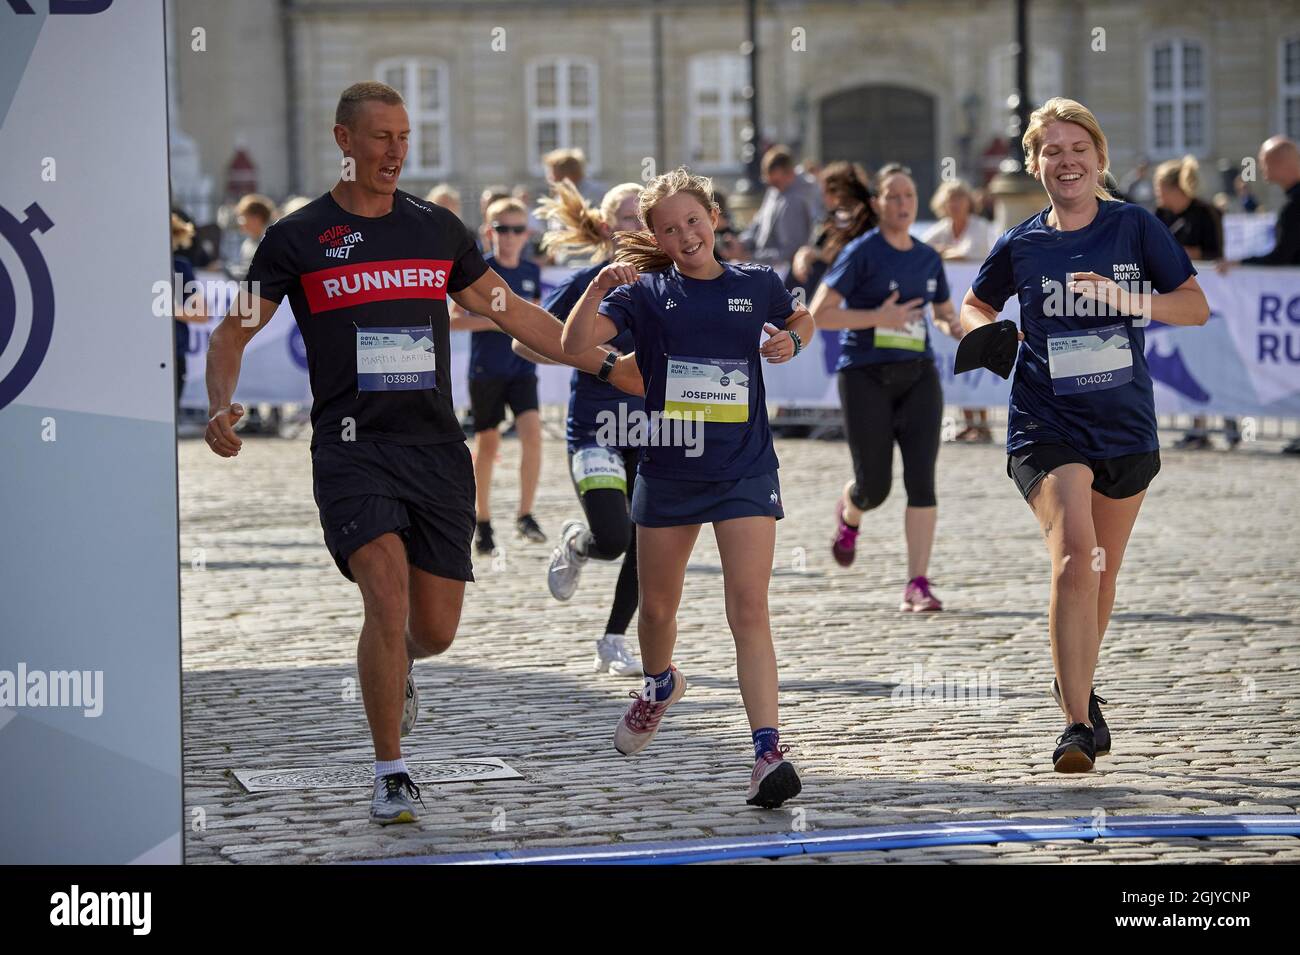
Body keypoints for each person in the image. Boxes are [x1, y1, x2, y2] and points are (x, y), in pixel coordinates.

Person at [203, 81, 642, 825]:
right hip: (352, 448)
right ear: (344, 140)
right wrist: (220, 402)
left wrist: (601, 363)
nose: (396, 152)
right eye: (381, 138)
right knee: (385, 592)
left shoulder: (435, 229)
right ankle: (391, 770)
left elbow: (515, 315)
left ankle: (397, 663)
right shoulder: (298, 237)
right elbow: (230, 334)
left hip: (437, 450)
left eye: (404, 138)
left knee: (432, 629)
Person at [959, 98, 1208, 772]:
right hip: (1046, 423)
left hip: (1125, 425)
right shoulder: (1023, 241)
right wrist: (979, 332)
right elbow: (976, 300)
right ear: (1036, 164)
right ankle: (1074, 723)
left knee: (1100, 573)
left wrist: (1129, 300)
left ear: (1098, 158)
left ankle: (1079, 681)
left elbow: (1195, 306)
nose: (1066, 161)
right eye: (1052, 151)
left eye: (1078, 149)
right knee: (1074, 555)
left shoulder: (1134, 227)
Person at [560, 166, 816, 808]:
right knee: (657, 612)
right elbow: (572, 344)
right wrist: (598, 287)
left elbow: (803, 316)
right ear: (657, 237)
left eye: (694, 220)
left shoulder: (755, 283)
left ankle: (766, 751)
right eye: (670, 229)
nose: (686, 234)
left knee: (748, 609)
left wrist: (791, 339)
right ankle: (657, 685)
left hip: (744, 470)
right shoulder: (644, 293)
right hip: (669, 470)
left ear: (714, 217)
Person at [810, 164, 963, 612]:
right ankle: (850, 510)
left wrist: (954, 326)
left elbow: (941, 311)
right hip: (865, 376)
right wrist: (881, 316)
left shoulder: (927, 256)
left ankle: (917, 582)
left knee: (922, 480)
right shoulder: (861, 253)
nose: (902, 204)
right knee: (874, 488)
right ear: (876, 203)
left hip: (918, 376)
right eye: (892, 196)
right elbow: (821, 314)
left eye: (909, 196)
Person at [518, 179, 646, 677]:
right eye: (627, 218)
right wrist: (601, 361)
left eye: (644, 218)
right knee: (613, 537)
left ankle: (613, 639)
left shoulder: (670, 285)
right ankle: (579, 543)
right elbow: (524, 344)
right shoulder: (588, 284)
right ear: (607, 226)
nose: (636, 228)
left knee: (646, 541)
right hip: (595, 428)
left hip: (657, 430)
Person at [449, 197, 547, 552]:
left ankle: (525, 514)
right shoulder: (477, 270)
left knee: (533, 435)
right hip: (486, 369)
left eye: (516, 229)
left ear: (527, 234)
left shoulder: (531, 272)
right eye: (502, 229)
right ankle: (483, 519)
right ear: (489, 232)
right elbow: (453, 319)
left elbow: (534, 317)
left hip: (521, 367)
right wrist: (496, 321)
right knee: (487, 445)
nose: (509, 236)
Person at [1220, 136, 1300, 454]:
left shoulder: (1296, 207)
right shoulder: (1293, 203)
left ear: (1282, 162)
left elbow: (1282, 257)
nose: (1262, 172)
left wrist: (1241, 264)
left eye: (1265, 164)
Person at [1152, 156, 1231, 450]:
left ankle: (1223, 421)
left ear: (1175, 188)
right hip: (1172, 302)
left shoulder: (1206, 212)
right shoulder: (1160, 213)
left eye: (1161, 188)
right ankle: (1198, 427)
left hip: (1205, 299)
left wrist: (1180, 253)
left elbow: (1214, 252)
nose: (1158, 195)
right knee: (1188, 362)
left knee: (1209, 360)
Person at [923, 179, 1000, 443]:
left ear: (969, 201)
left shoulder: (981, 228)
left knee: (978, 356)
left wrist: (943, 253)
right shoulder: (940, 229)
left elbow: (970, 254)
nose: (954, 204)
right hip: (949, 304)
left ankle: (983, 422)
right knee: (959, 360)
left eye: (959, 198)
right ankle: (969, 422)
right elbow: (922, 250)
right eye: (950, 199)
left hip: (977, 303)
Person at [734, 145, 818, 272]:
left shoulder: (797, 200)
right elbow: (758, 224)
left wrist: (749, 256)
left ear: (789, 173)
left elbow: (790, 250)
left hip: (783, 269)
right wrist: (742, 242)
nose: (772, 186)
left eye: (776, 182)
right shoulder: (774, 190)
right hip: (764, 262)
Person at [171, 214, 208, 415]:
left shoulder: (180, 267)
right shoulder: (135, 267)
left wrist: (169, 311)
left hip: (174, 352)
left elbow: (202, 313)